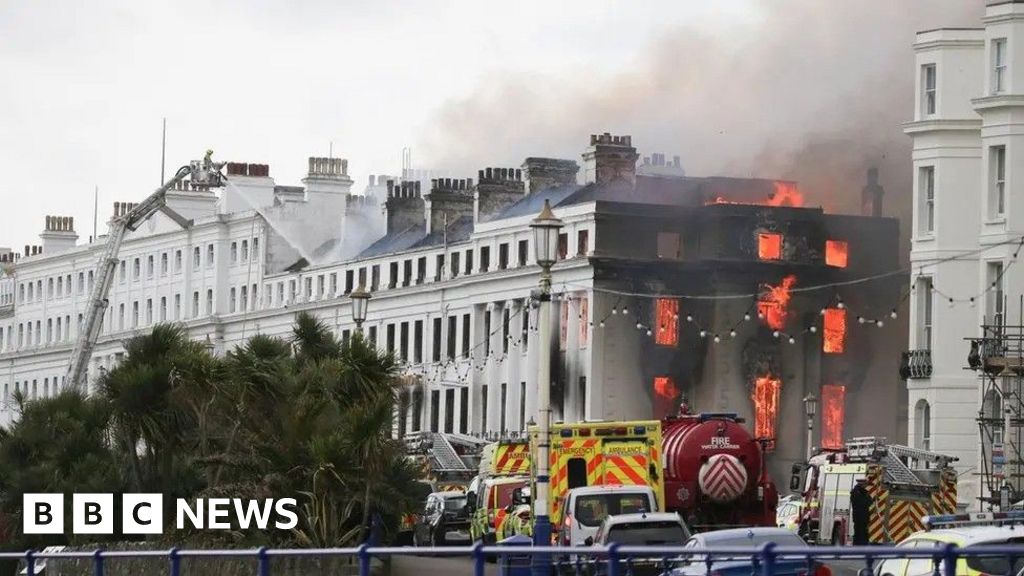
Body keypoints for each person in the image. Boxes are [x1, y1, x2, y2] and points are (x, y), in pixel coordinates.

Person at [850, 478, 873, 545]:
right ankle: (857, 549)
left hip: (863, 517)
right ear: (861, 484)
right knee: (859, 534)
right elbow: (863, 502)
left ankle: (862, 547)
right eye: (865, 484)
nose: (866, 486)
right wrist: (870, 500)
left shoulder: (863, 492)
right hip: (859, 517)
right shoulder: (856, 492)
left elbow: (869, 501)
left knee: (863, 534)